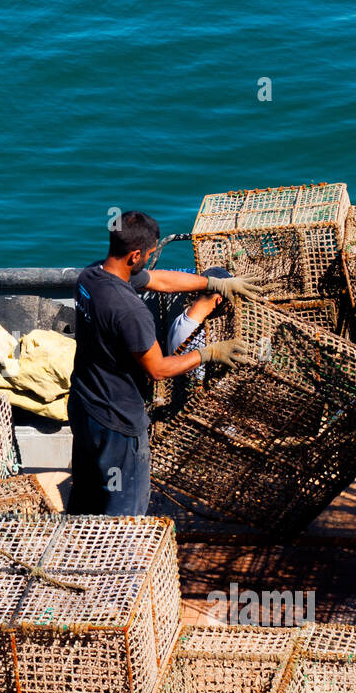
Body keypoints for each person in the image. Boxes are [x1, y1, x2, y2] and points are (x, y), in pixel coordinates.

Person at [67, 212, 262, 516]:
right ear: (135, 255)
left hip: (83, 403)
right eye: (149, 253)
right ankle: (120, 558)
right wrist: (208, 353)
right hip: (117, 422)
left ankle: (78, 548)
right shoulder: (131, 312)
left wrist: (213, 283)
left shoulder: (91, 277)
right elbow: (157, 369)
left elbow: (159, 280)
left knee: (88, 494)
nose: (150, 257)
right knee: (124, 506)